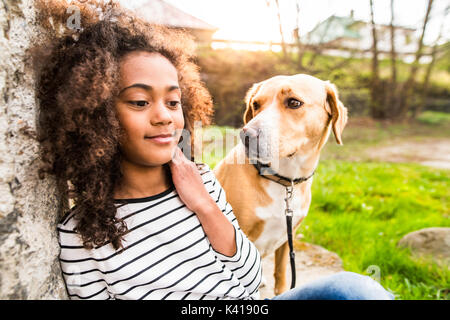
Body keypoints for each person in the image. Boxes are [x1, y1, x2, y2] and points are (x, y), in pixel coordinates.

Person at [35, 0, 393, 300]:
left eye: (174, 102)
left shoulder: (203, 182)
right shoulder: (77, 235)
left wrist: (205, 205)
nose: (164, 116)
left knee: (357, 289)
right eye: (141, 102)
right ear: (96, 114)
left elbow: (252, 278)